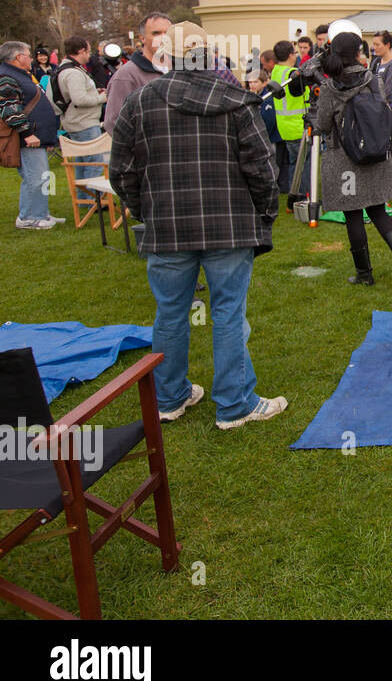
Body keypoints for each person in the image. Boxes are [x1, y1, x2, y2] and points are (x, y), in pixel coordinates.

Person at [109, 45, 286, 429]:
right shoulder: (231, 102)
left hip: (183, 226)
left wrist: (147, 210)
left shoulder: (144, 102)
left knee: (173, 314)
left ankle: (187, 398)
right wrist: (264, 213)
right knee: (223, 313)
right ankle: (202, 400)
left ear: (170, 63)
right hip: (224, 226)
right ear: (215, 66)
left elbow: (121, 170)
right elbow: (263, 169)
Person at [315, 32, 392, 286]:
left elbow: (324, 123)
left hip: (344, 158)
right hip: (374, 152)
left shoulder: (330, 87)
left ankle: (364, 274)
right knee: (379, 211)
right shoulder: (373, 79)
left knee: (353, 215)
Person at [1, 41, 62, 229]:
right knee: (34, 178)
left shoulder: (20, 75)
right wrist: (27, 133)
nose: (31, 58)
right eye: (28, 54)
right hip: (28, 138)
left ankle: (41, 213)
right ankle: (29, 217)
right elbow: (8, 108)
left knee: (43, 176)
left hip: (37, 136)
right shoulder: (6, 76)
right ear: (19, 57)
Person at [104, 12, 172, 132]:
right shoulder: (126, 76)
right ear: (143, 38)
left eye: (167, 33)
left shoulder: (180, 69)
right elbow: (114, 123)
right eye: (156, 33)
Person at [51, 36, 107, 181]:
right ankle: (94, 201)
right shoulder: (73, 72)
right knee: (94, 163)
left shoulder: (67, 69)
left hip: (76, 121)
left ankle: (85, 200)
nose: (89, 55)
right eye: (88, 52)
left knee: (82, 163)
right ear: (81, 51)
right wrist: (102, 98)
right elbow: (79, 99)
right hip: (84, 123)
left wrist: (95, 92)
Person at [268, 40, 306, 194]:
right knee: (303, 166)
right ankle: (304, 197)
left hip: (285, 126)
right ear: (291, 55)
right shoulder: (292, 74)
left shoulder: (276, 71)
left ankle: (294, 195)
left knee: (294, 165)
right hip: (298, 126)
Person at [372, 30, 392, 110]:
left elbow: (388, 90)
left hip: (389, 108)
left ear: (387, 45)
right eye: (373, 44)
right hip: (376, 106)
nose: (374, 48)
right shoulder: (376, 61)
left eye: (377, 45)